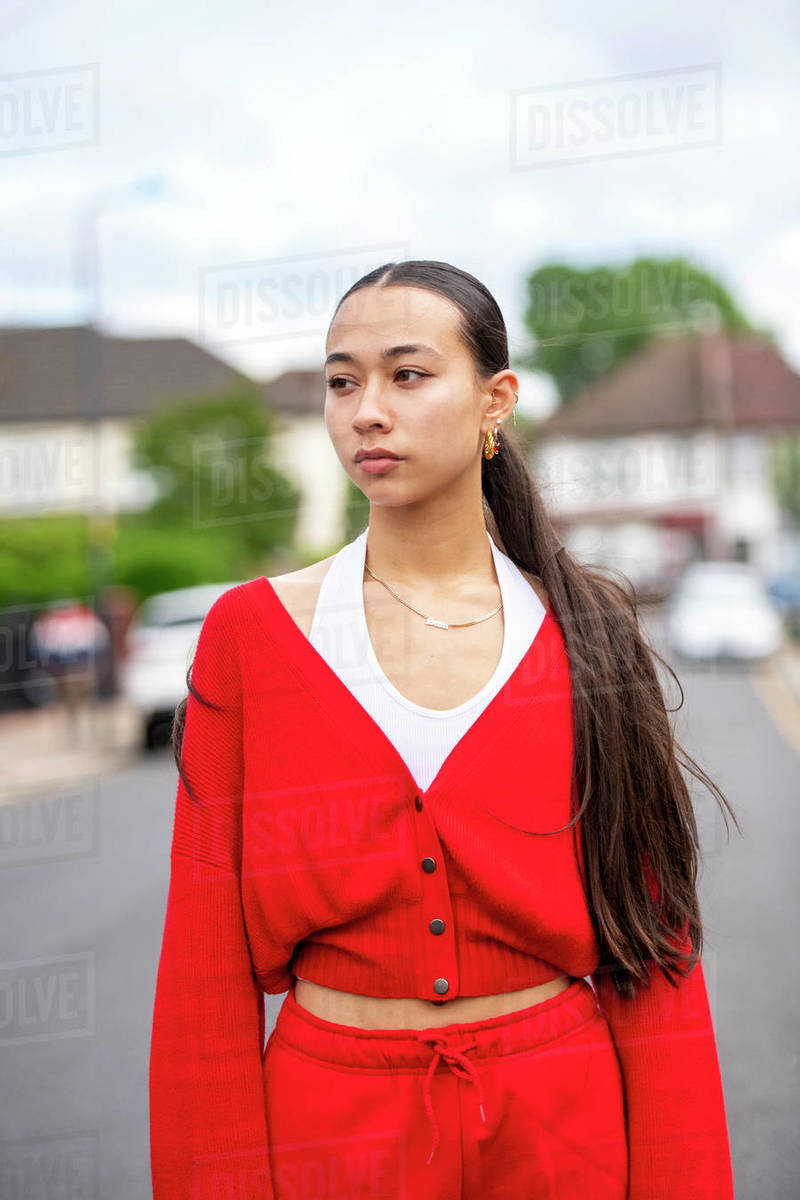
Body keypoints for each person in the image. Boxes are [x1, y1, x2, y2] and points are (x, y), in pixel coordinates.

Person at [149, 260, 738, 1197]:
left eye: (407, 374)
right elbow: (201, 973)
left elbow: (652, 947)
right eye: (343, 381)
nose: (366, 410)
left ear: (494, 401)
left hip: (562, 1130)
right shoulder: (251, 637)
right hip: (328, 1138)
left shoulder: (588, 633)